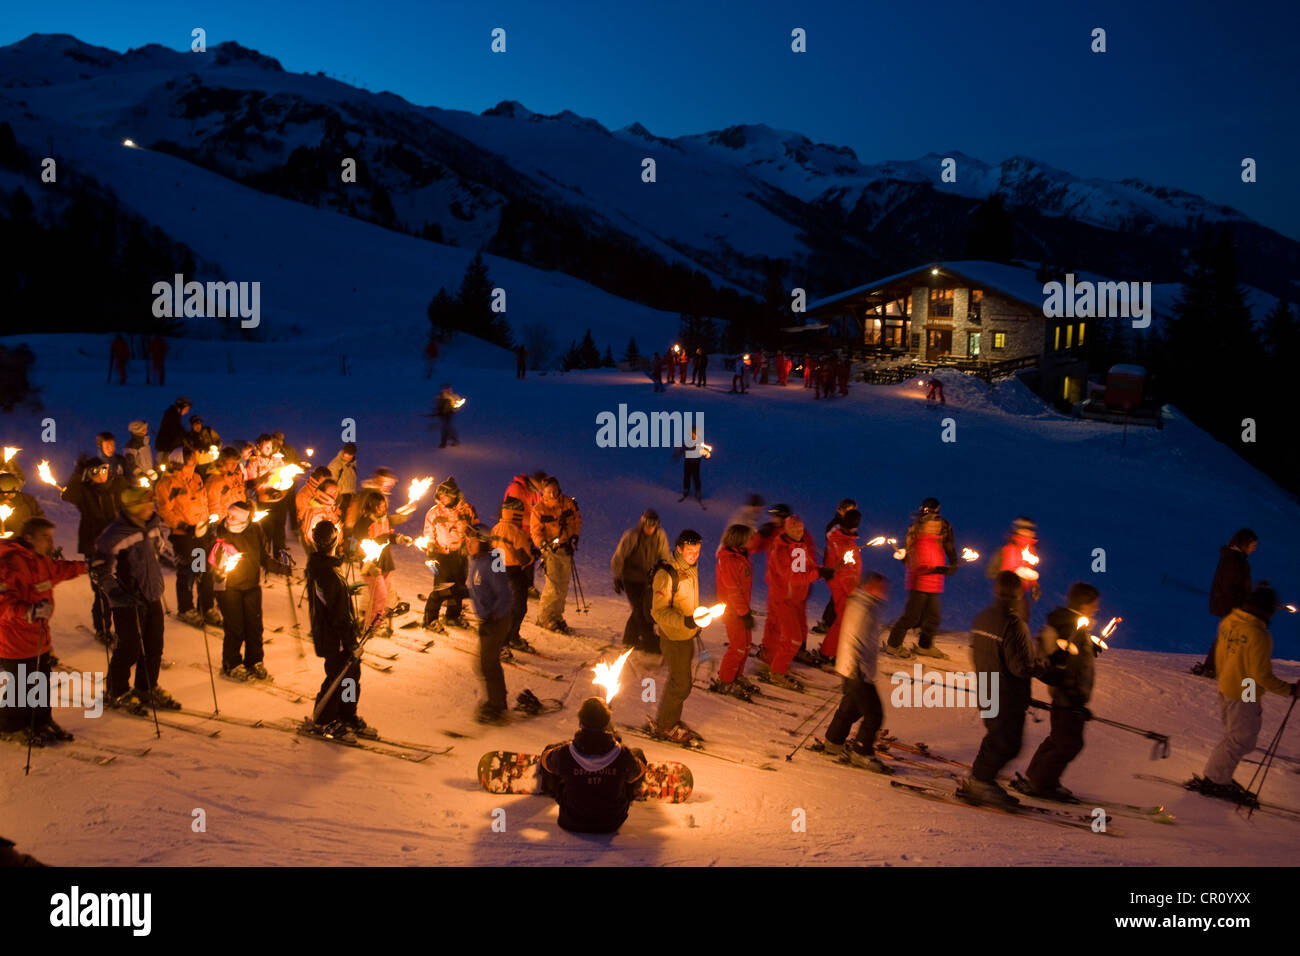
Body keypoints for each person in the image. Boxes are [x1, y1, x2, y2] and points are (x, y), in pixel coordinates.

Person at [960, 571, 1067, 807]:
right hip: (1006, 692)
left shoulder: (982, 618)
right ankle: (980, 783)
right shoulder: (1013, 624)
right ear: (1019, 592)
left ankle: (979, 780)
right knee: (1007, 742)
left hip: (986, 686)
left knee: (997, 737)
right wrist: (1046, 668)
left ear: (996, 589)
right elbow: (1021, 667)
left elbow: (976, 650)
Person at [1191, 585, 1298, 805]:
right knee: (1241, 739)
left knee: (1238, 736)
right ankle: (1215, 780)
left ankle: (1217, 776)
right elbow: (1261, 675)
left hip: (1229, 684)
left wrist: (1226, 679)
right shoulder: (1258, 634)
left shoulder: (1230, 621)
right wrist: (1290, 690)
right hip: (1245, 688)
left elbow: (1220, 654)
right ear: (1267, 610)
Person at [93, 485, 181, 712]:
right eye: (146, 503)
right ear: (133, 508)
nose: (151, 506)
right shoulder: (114, 535)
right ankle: (117, 690)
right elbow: (99, 569)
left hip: (152, 595)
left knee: (154, 646)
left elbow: (160, 551)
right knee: (130, 647)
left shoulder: (153, 526)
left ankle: (146, 687)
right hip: (127, 601)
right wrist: (116, 592)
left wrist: (179, 562)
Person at [0, 518, 87, 744]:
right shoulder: (11, 562)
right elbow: (3, 601)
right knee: (21, 684)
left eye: (51, 537)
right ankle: (13, 725)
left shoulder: (41, 561)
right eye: (45, 537)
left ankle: (40, 720)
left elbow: (60, 570)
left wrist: (87, 567)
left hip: (39, 635)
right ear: (29, 537)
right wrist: (28, 611)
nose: (50, 542)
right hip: (14, 637)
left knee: (40, 678)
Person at [1015, 583, 1104, 801]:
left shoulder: (1074, 627)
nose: (1097, 608)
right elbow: (1055, 662)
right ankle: (1042, 784)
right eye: (1094, 604)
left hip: (1070, 695)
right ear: (1083, 604)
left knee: (1059, 740)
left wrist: (1087, 647)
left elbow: (1069, 656)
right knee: (1069, 744)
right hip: (1068, 696)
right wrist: (1072, 693)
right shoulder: (1066, 627)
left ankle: (1038, 778)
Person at [303, 520, 372, 741]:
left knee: (351, 675)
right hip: (334, 637)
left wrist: (347, 590)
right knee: (337, 677)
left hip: (336, 634)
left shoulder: (325, 566)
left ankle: (346, 714)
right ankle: (324, 720)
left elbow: (332, 599)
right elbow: (337, 614)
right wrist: (350, 642)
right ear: (333, 541)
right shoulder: (327, 572)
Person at [208, 501, 291, 681]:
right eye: (229, 515)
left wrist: (279, 568)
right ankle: (232, 664)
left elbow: (262, 556)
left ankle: (254, 661)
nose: (229, 519)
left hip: (251, 585)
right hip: (228, 588)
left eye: (234, 516)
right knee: (235, 627)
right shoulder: (220, 532)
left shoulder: (254, 530)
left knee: (254, 626)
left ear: (245, 518)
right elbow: (210, 559)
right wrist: (217, 571)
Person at [539, 697, 648, 833]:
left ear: (581, 722)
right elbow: (636, 773)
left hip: (572, 820)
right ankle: (633, 794)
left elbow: (545, 760)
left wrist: (565, 748)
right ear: (606, 722)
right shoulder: (621, 753)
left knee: (549, 751)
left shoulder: (566, 752)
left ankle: (548, 788)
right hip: (611, 821)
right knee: (637, 755)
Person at [822, 573, 890, 771]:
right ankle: (861, 753)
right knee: (874, 714)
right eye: (879, 587)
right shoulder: (863, 607)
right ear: (869, 587)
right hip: (857, 670)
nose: (883, 592)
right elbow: (853, 639)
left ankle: (833, 741)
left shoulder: (863, 604)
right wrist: (855, 668)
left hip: (853, 668)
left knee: (852, 708)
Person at [61, 458, 126, 643]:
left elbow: (133, 494)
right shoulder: (84, 491)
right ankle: (103, 628)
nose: (102, 475)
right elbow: (68, 495)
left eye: (104, 469)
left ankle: (124, 628)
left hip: (118, 543)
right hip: (95, 546)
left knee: (122, 586)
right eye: (96, 472)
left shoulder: (117, 485)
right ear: (88, 474)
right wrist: (77, 472)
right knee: (102, 590)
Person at [649, 529, 705, 743]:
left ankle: (668, 720)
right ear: (679, 549)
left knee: (680, 680)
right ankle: (666, 726)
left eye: (698, 551)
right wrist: (685, 621)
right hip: (673, 636)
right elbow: (659, 611)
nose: (694, 555)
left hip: (686, 634)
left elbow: (686, 602)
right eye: (690, 551)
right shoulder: (667, 573)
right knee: (681, 684)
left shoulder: (690, 568)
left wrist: (696, 622)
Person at [883, 501, 957, 659]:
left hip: (935, 584)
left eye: (937, 525)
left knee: (934, 617)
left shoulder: (937, 542)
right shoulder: (918, 542)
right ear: (923, 526)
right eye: (932, 524)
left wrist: (950, 566)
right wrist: (936, 569)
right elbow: (916, 566)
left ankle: (925, 646)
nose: (936, 527)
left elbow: (947, 549)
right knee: (911, 617)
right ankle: (893, 645)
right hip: (919, 584)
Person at [154, 446, 215, 627]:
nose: (193, 465)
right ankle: (186, 608)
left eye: (194, 462)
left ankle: (206, 606)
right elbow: (165, 510)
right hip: (183, 535)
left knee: (204, 569)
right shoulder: (167, 484)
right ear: (179, 463)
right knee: (188, 570)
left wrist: (206, 521)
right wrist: (182, 525)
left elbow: (203, 502)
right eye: (189, 462)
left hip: (201, 532)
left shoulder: (196, 479)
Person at [758, 515, 821, 689]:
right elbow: (791, 576)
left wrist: (823, 570)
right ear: (787, 530)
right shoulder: (780, 550)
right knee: (792, 637)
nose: (799, 533)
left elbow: (807, 567)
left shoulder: (800, 546)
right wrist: (817, 575)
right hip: (783, 599)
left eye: (801, 530)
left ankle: (776, 657)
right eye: (795, 530)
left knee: (798, 632)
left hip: (797, 599)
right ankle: (777, 671)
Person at [711, 523, 767, 698]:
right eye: (749, 538)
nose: (752, 541)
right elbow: (733, 590)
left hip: (741, 609)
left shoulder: (740, 555)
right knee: (738, 646)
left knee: (746, 644)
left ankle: (737, 675)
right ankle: (725, 680)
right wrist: (743, 613)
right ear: (740, 540)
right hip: (733, 611)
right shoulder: (728, 560)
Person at [466, 521, 514, 723]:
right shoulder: (476, 561)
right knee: (486, 662)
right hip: (488, 619)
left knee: (487, 663)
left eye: (473, 540)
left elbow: (505, 595)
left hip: (497, 619)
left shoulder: (492, 562)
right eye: (467, 539)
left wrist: (494, 617)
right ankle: (498, 702)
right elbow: (479, 589)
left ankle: (496, 707)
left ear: (483, 542)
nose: (468, 543)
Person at [1193, 528, 1258, 678]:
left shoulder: (1235, 559)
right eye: (1252, 545)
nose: (1254, 549)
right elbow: (1231, 586)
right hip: (1230, 605)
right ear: (1244, 544)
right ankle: (1212, 668)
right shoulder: (1234, 560)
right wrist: (1245, 599)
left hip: (1231, 604)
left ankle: (1214, 667)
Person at [421, 477, 478, 633]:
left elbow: (475, 528)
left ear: (454, 495)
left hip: (460, 555)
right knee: (441, 588)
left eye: (446, 495)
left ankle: (452, 615)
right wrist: (431, 545)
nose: (442, 498)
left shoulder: (466, 510)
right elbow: (428, 532)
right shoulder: (434, 513)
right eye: (440, 495)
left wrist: (473, 543)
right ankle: (430, 619)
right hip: (442, 554)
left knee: (458, 586)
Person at [611, 510, 670, 653]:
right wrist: (617, 577)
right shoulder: (632, 536)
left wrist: (664, 573)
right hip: (631, 578)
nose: (650, 528)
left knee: (644, 609)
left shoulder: (659, 536)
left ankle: (630, 638)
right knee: (640, 611)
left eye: (653, 525)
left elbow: (664, 555)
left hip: (647, 579)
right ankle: (650, 644)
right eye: (648, 525)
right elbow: (619, 556)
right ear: (642, 523)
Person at [529, 478, 582, 634]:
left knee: (563, 585)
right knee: (552, 586)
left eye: (554, 490)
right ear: (543, 492)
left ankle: (557, 616)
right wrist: (543, 544)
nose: (552, 494)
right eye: (549, 491)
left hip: (565, 549)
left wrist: (574, 536)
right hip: (550, 551)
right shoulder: (539, 510)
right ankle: (545, 617)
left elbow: (576, 521)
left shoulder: (567, 503)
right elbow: (535, 531)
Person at [816, 508, 862, 662]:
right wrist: (853, 591)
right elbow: (846, 572)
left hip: (841, 584)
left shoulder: (841, 539)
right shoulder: (843, 543)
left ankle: (833, 650)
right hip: (842, 586)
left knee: (844, 618)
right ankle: (828, 652)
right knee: (844, 619)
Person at [490, 497, 534, 653]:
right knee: (518, 607)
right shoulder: (517, 533)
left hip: (499, 570)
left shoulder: (496, 528)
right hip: (514, 572)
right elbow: (525, 558)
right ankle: (506, 640)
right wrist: (534, 553)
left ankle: (506, 638)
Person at [812, 498, 858, 636]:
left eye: (854, 511)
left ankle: (831, 622)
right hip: (834, 566)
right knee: (838, 594)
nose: (852, 513)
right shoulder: (836, 526)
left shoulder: (846, 527)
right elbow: (833, 542)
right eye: (850, 510)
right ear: (841, 510)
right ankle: (828, 623)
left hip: (842, 564)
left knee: (840, 594)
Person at [987, 516, 1041, 623]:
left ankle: (1016, 637)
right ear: (1017, 530)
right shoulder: (1006, 550)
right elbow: (991, 572)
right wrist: (1009, 577)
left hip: (1020, 593)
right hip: (1006, 593)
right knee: (1006, 619)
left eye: (1030, 530)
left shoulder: (1031, 551)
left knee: (1022, 617)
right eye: (1024, 529)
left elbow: (1029, 570)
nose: (1027, 533)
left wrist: (1035, 585)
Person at [504, 470, 546, 598]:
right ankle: (510, 588)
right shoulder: (517, 489)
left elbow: (537, 510)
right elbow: (514, 514)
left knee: (529, 559)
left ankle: (527, 586)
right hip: (514, 532)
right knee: (514, 561)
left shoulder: (535, 492)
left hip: (527, 532)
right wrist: (535, 521)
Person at [0, 472, 44, 537]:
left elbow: (41, 525)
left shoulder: (28, 502)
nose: (6, 497)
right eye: (2, 495)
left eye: (10, 494)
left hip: (25, 543)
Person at [154, 396, 191, 464]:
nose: (187, 412)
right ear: (180, 408)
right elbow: (175, 432)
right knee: (164, 467)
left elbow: (179, 430)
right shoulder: (172, 417)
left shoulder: (174, 416)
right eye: (186, 409)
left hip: (168, 448)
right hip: (165, 448)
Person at [327, 443, 358, 518]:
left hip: (351, 497)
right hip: (340, 498)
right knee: (340, 519)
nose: (349, 457)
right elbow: (330, 483)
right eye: (347, 454)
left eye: (351, 455)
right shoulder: (335, 465)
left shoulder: (352, 465)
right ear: (343, 452)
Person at [678, 426, 706, 503]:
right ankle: (686, 490)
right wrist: (679, 454)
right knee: (687, 475)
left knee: (696, 477)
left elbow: (703, 451)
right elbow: (683, 448)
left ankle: (698, 492)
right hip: (688, 461)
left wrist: (706, 454)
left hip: (696, 462)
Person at [436, 384, 460, 448]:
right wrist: (438, 412)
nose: (446, 391)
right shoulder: (440, 396)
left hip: (449, 414)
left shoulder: (453, 396)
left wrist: (454, 408)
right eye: (445, 389)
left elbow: (457, 406)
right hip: (442, 415)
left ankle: (444, 443)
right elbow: (438, 405)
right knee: (446, 428)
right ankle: (453, 440)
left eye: (448, 389)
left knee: (445, 428)